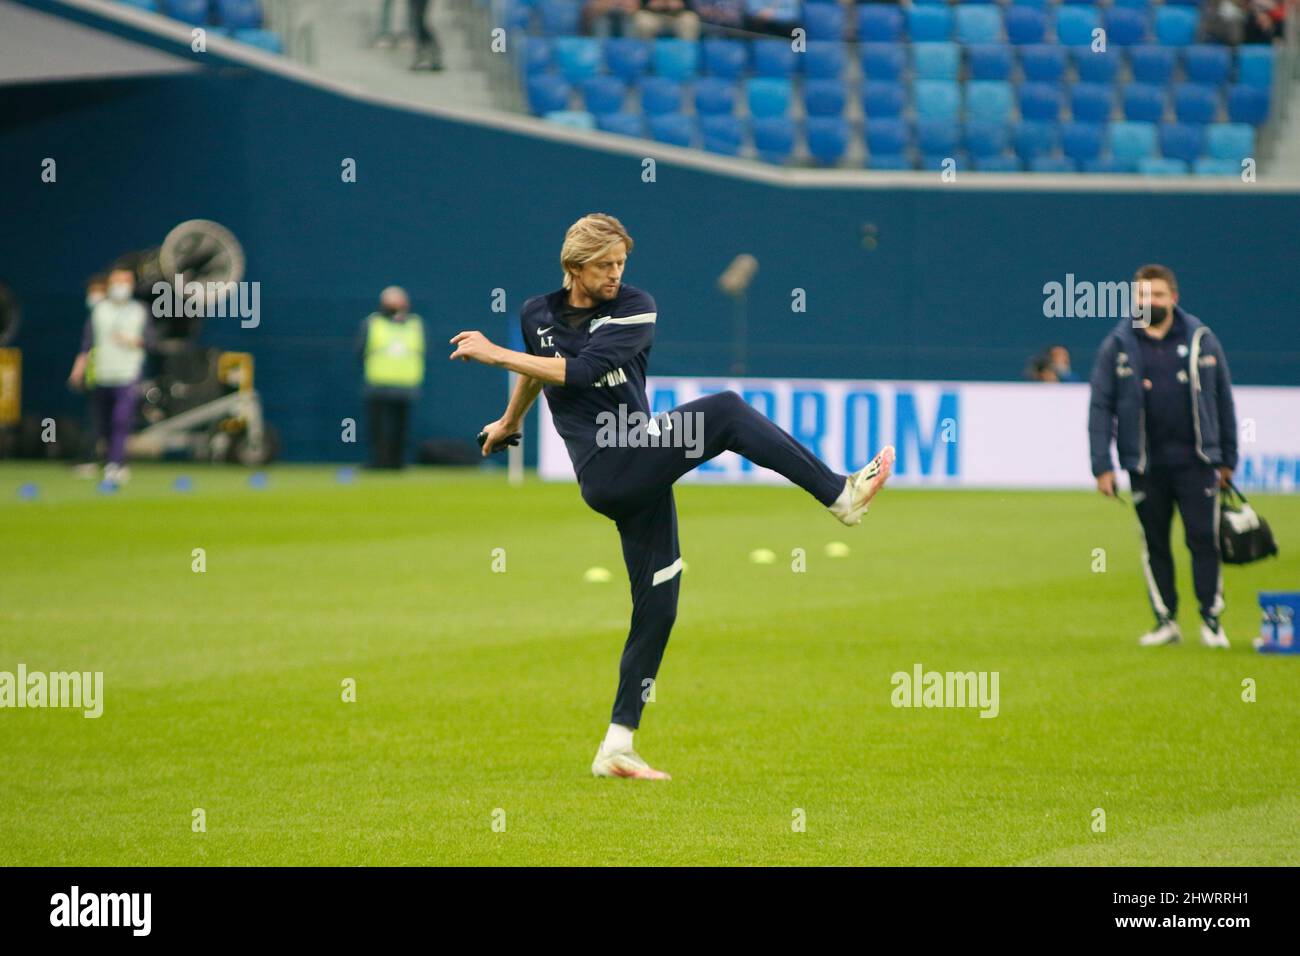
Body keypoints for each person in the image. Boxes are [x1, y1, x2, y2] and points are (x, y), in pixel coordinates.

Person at [449, 213, 895, 780]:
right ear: (573, 267)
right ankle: (842, 495)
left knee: (658, 603)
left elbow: (581, 372)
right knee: (727, 411)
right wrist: (509, 418)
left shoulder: (636, 306)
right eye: (604, 266)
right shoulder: (536, 313)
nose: (615, 274)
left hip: (639, 456)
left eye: (620, 263)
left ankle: (617, 744)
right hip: (608, 466)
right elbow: (542, 371)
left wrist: (498, 354)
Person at [1088, 264, 1238, 649]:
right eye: (1141, 296)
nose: (1148, 302)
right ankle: (1165, 620)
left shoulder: (1202, 340)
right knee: (1154, 543)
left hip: (1197, 462)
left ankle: (1211, 619)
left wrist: (1227, 458)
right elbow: (1100, 407)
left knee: (1204, 539)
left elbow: (1223, 400)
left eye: (1156, 295)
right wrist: (1102, 466)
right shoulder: (1119, 345)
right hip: (1145, 464)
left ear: (1173, 297)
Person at [67, 266, 149, 484]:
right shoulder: (99, 311)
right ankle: (100, 459)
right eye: (117, 282)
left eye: (125, 282)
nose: (121, 287)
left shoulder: (139, 311)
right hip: (102, 374)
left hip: (128, 374)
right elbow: (87, 343)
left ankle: (117, 464)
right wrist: (78, 369)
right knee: (101, 423)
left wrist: (133, 341)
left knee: (121, 420)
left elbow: (151, 341)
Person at [357, 286, 425, 469]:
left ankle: (397, 463)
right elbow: (360, 351)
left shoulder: (415, 324)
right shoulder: (373, 323)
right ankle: (377, 462)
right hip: (378, 384)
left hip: (406, 385)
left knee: (401, 429)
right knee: (377, 429)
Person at [72, 275, 108, 477]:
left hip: (115, 377)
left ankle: (111, 461)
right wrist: (79, 371)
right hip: (96, 378)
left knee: (111, 421)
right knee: (95, 421)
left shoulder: (110, 317)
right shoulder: (95, 318)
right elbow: (86, 349)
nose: (93, 296)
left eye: (96, 292)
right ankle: (90, 459)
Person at [633, 0, 702, 41]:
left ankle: (685, 57)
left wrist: (680, 4)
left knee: (690, 19)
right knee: (642, 20)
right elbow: (639, 5)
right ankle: (645, 57)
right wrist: (651, 5)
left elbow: (691, 6)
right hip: (652, 16)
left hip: (678, 16)